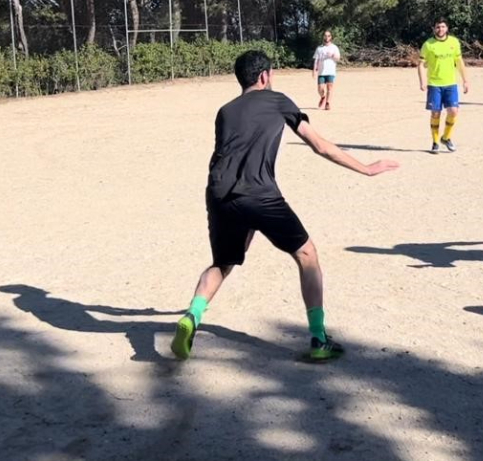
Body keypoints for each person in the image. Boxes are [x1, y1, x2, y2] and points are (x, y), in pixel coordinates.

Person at [171, 50, 399, 362]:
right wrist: (366, 167)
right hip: (259, 194)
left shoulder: (225, 111)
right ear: (264, 77)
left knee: (222, 263)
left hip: (220, 194)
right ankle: (319, 339)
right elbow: (319, 145)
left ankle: (191, 318)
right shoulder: (277, 100)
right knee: (307, 255)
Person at [418, 18, 470, 154]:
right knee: (435, 113)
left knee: (453, 111)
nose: (440, 29)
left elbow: (459, 61)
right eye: (437, 27)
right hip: (434, 84)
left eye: (442, 27)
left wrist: (465, 80)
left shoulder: (454, 42)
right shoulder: (428, 45)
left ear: (447, 28)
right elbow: (421, 65)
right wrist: (422, 81)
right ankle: (435, 142)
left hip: (450, 83)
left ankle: (446, 137)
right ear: (434, 29)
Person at [312, 30, 341, 110]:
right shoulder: (319, 48)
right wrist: (314, 70)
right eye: (325, 35)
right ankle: (323, 97)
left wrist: (332, 55)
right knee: (320, 88)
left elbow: (338, 58)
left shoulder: (334, 47)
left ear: (331, 37)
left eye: (328, 36)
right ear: (323, 37)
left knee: (329, 88)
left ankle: (328, 103)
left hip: (330, 71)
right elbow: (316, 60)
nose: (327, 37)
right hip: (321, 72)